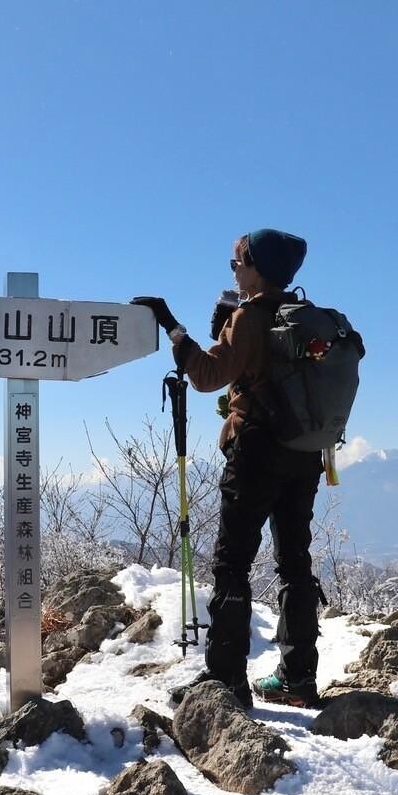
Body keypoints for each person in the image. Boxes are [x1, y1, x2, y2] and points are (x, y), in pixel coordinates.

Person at [133, 228, 326, 709]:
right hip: (305, 455)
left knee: (231, 564)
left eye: (238, 262)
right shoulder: (304, 319)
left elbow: (205, 377)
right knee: (294, 562)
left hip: (257, 454)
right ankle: (299, 677)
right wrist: (228, 333)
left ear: (257, 265)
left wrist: (171, 324)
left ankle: (226, 683)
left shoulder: (250, 317)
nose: (234, 269)